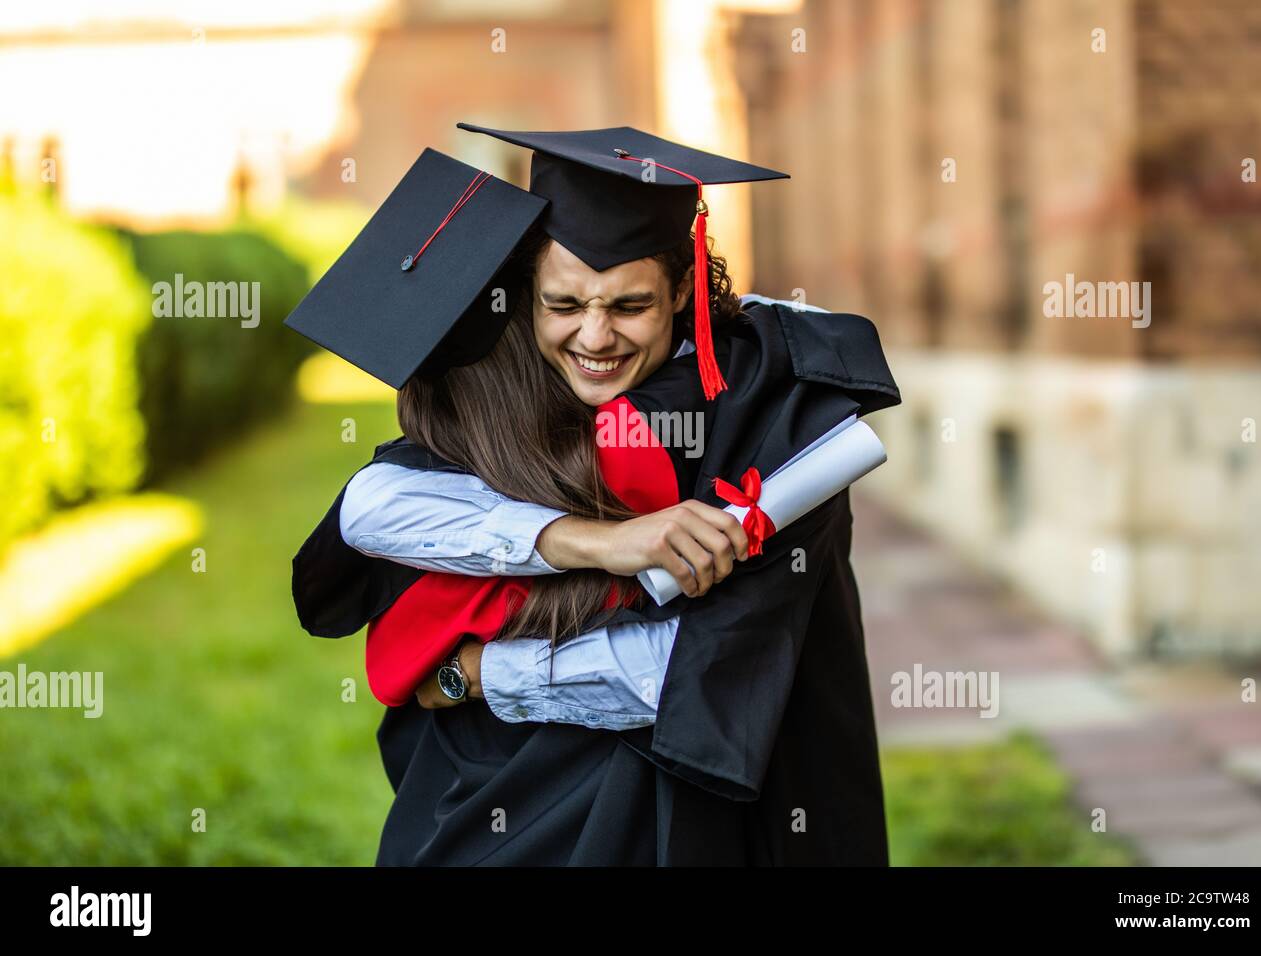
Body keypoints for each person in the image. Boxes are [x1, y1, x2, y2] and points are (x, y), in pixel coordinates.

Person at [288, 127, 902, 865]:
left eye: (629, 305)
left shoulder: (779, 422)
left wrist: (475, 673)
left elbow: (682, 677)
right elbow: (372, 507)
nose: (595, 336)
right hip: (495, 793)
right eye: (564, 303)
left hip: (694, 812)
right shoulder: (505, 387)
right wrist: (596, 541)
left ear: (681, 289)